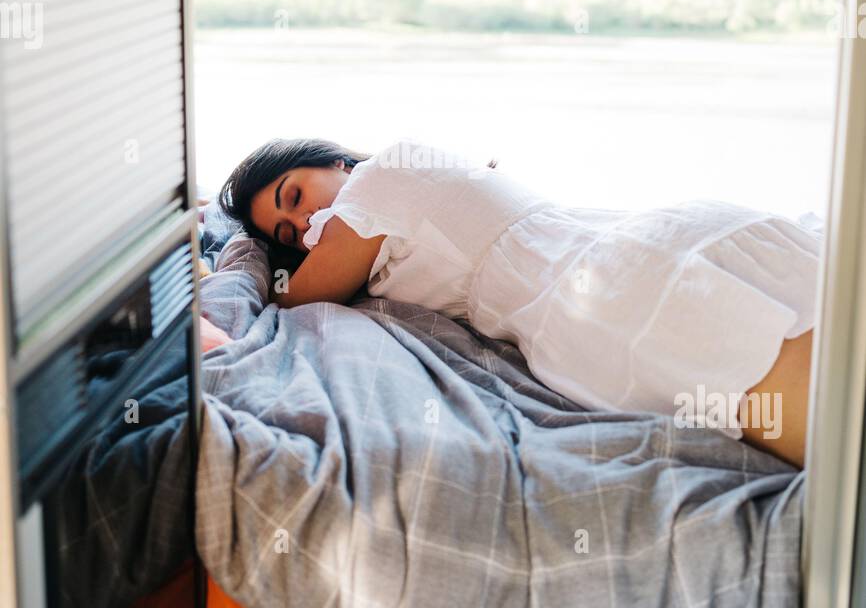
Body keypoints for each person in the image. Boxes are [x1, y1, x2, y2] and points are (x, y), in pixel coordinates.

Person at [217, 136, 820, 469]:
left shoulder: (383, 177)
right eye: (289, 234)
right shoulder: (394, 213)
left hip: (607, 288)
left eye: (294, 195)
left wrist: (256, 258)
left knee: (817, 421)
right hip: (594, 286)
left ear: (337, 162)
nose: (304, 221)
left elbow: (296, 296)